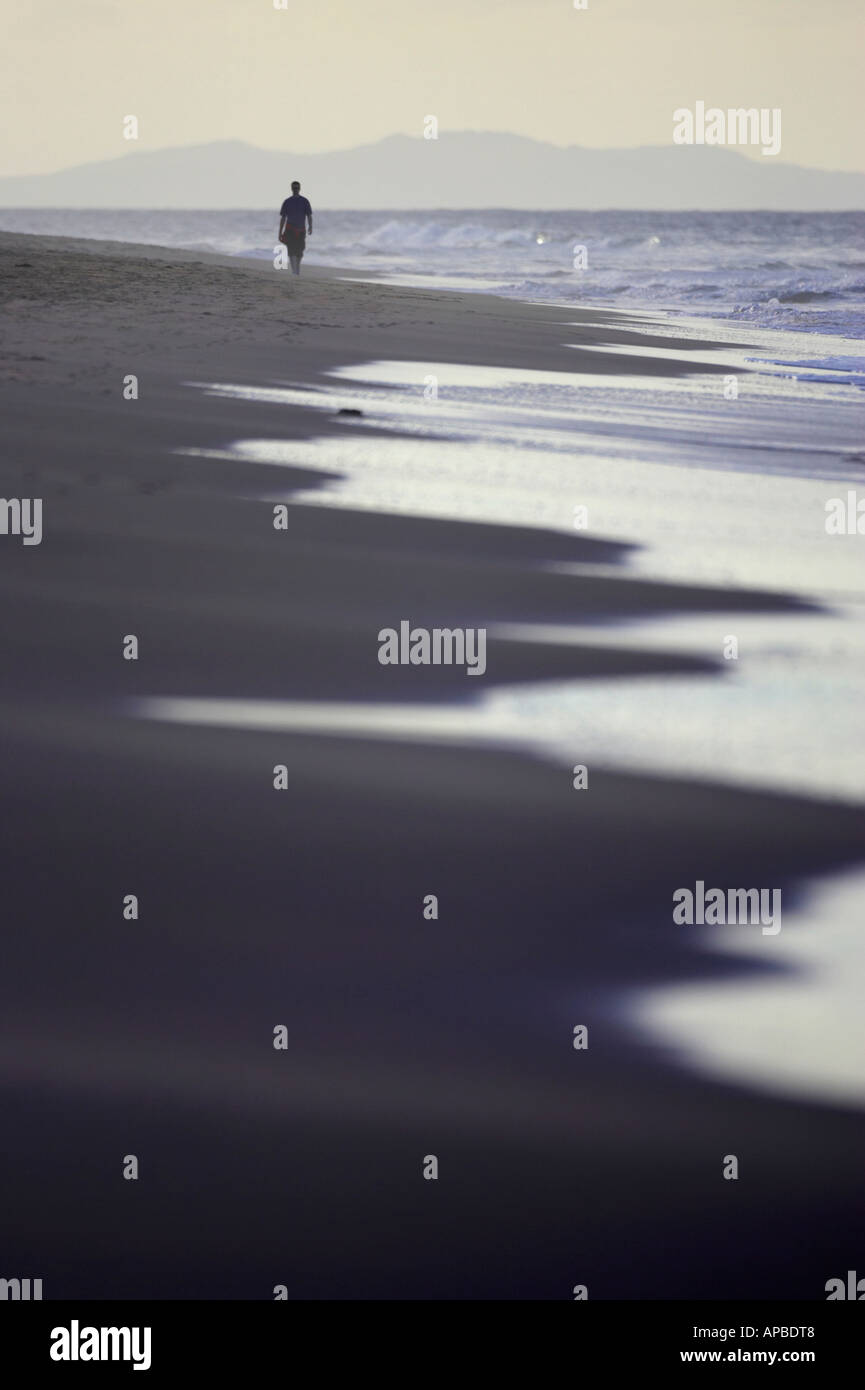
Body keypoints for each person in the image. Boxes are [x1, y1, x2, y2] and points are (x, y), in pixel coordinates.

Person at [279, 181, 313, 276]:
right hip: (290, 229)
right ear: (291, 189)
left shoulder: (305, 201)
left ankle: (297, 269)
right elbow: (283, 218)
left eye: (297, 188)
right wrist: (280, 232)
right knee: (291, 251)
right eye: (294, 188)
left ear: (300, 189)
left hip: (301, 230)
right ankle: (294, 271)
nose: (295, 190)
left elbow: (309, 215)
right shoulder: (287, 202)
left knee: (300, 252)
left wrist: (310, 226)